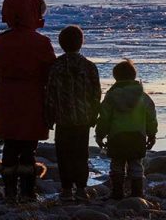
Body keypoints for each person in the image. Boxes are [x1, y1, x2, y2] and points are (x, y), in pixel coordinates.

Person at [0, 0, 56, 202]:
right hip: (32, 98)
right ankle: (28, 192)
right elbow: (50, 71)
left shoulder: (1, 40)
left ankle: (9, 191)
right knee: (28, 146)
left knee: (10, 144)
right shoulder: (41, 42)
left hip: (8, 96)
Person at [45, 25, 101, 202]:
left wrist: (49, 116)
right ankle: (81, 189)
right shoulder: (89, 66)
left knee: (63, 155)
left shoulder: (56, 66)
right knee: (81, 154)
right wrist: (94, 116)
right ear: (81, 43)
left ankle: (67, 189)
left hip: (63, 118)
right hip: (83, 119)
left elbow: (50, 93)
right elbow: (96, 94)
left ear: (61, 44)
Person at [95, 60, 157, 199]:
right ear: (134, 76)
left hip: (116, 136)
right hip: (138, 136)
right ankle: (137, 193)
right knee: (136, 165)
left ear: (116, 77)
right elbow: (151, 117)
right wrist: (152, 134)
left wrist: (99, 135)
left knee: (116, 165)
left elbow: (104, 118)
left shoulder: (111, 96)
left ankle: (117, 193)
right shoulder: (143, 97)